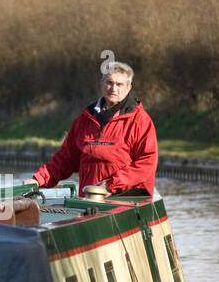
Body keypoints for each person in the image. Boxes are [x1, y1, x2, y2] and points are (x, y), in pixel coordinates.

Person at [26, 61, 157, 197]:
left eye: (119, 85)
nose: (113, 88)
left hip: (126, 202)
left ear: (129, 88)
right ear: (101, 84)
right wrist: (38, 180)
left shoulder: (140, 120)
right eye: (109, 83)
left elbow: (147, 163)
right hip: (90, 203)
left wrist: (110, 185)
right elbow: (66, 159)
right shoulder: (84, 119)